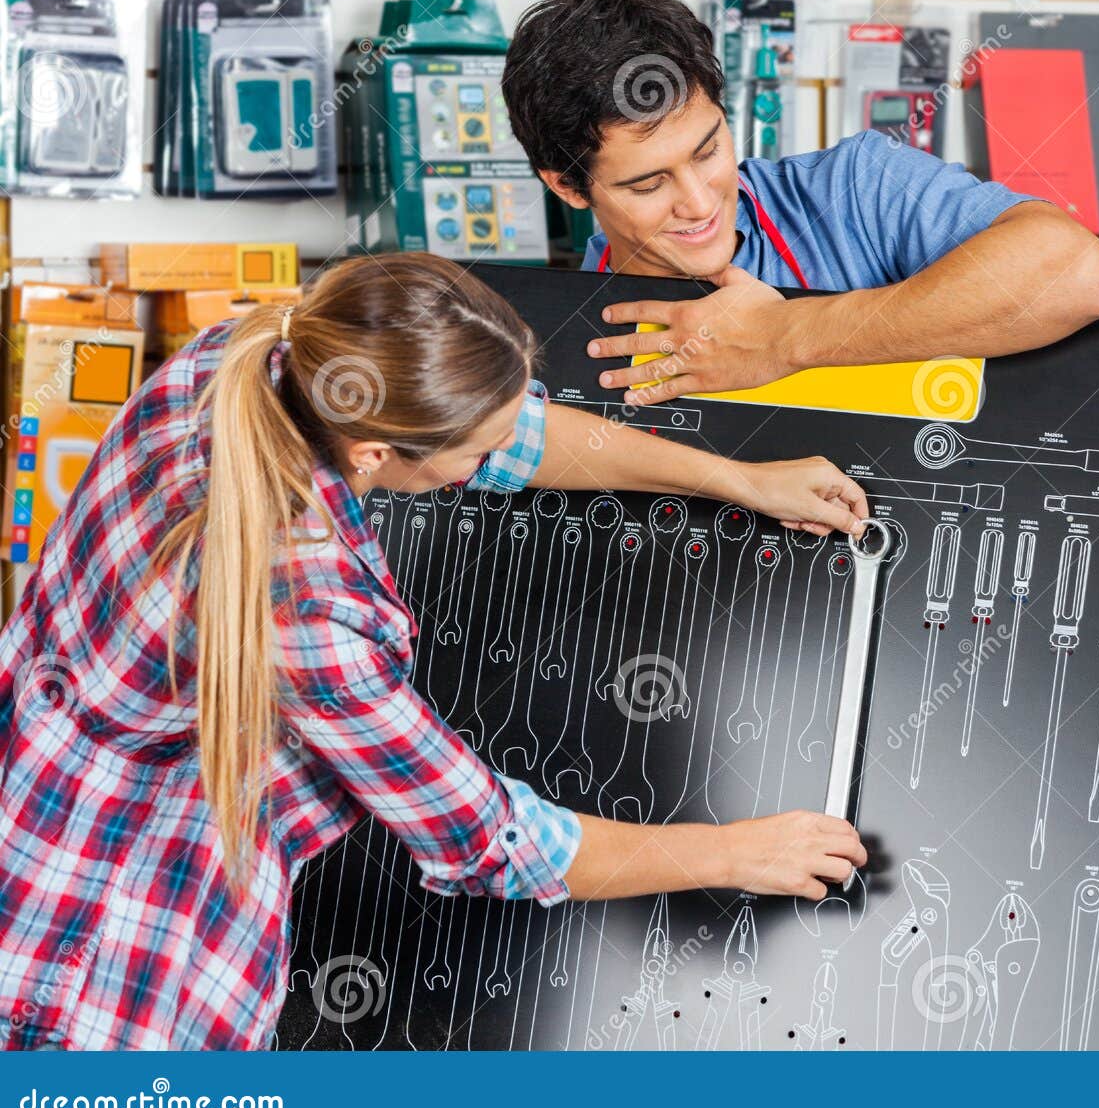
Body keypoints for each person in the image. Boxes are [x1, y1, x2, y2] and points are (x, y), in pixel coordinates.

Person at [0, 252, 870, 1051]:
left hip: (36, 779)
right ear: (374, 451)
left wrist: (735, 477)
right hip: (99, 951)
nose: (497, 452)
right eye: (474, 452)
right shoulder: (309, 610)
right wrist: (733, 854)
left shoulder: (249, 358)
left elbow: (509, 435)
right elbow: (486, 838)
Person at [502, 0, 1099, 407]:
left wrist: (784, 336)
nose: (698, 202)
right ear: (567, 185)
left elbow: (1076, 275)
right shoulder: (563, 339)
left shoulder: (856, 189)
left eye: (708, 150)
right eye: (647, 183)